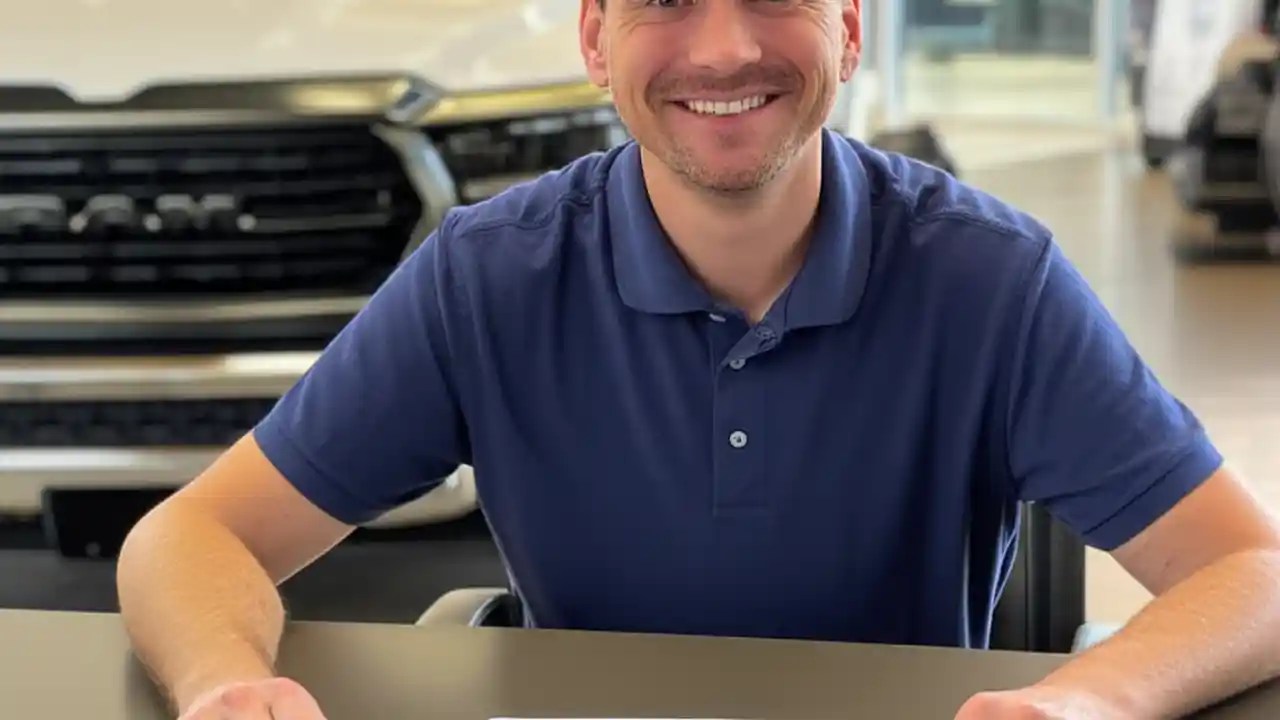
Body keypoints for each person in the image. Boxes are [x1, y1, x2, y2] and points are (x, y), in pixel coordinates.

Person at [116, 0, 1280, 718]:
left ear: (848, 26)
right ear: (593, 36)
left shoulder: (990, 279)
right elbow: (193, 535)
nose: (722, 45)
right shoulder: (486, 278)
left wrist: (1088, 701)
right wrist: (227, 684)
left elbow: (1254, 575)